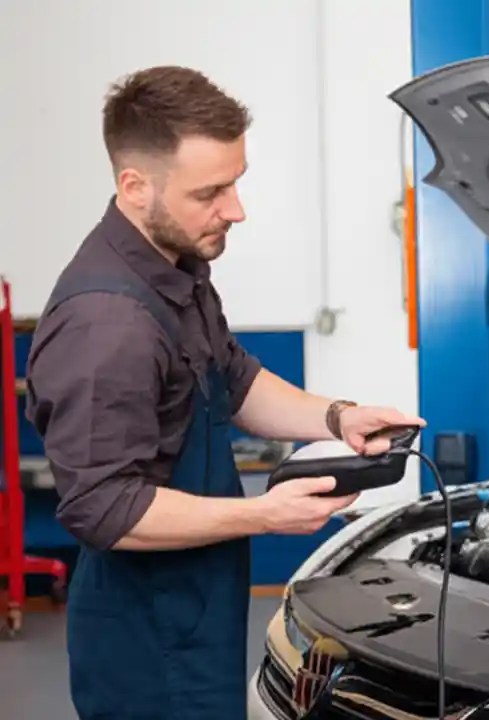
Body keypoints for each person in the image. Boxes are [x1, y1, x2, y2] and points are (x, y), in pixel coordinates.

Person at [24, 65, 424, 719]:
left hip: (198, 608)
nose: (235, 209)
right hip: (147, 640)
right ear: (135, 187)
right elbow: (105, 509)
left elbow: (233, 381)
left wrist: (337, 418)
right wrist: (266, 515)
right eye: (210, 192)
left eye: (235, 182)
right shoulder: (108, 324)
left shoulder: (177, 267)